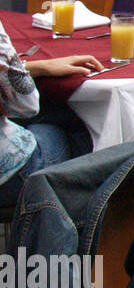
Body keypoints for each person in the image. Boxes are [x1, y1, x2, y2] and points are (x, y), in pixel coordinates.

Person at [0, 21, 100, 210]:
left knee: (54, 112)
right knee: (79, 123)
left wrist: (38, 67)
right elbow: (25, 105)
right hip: (8, 179)